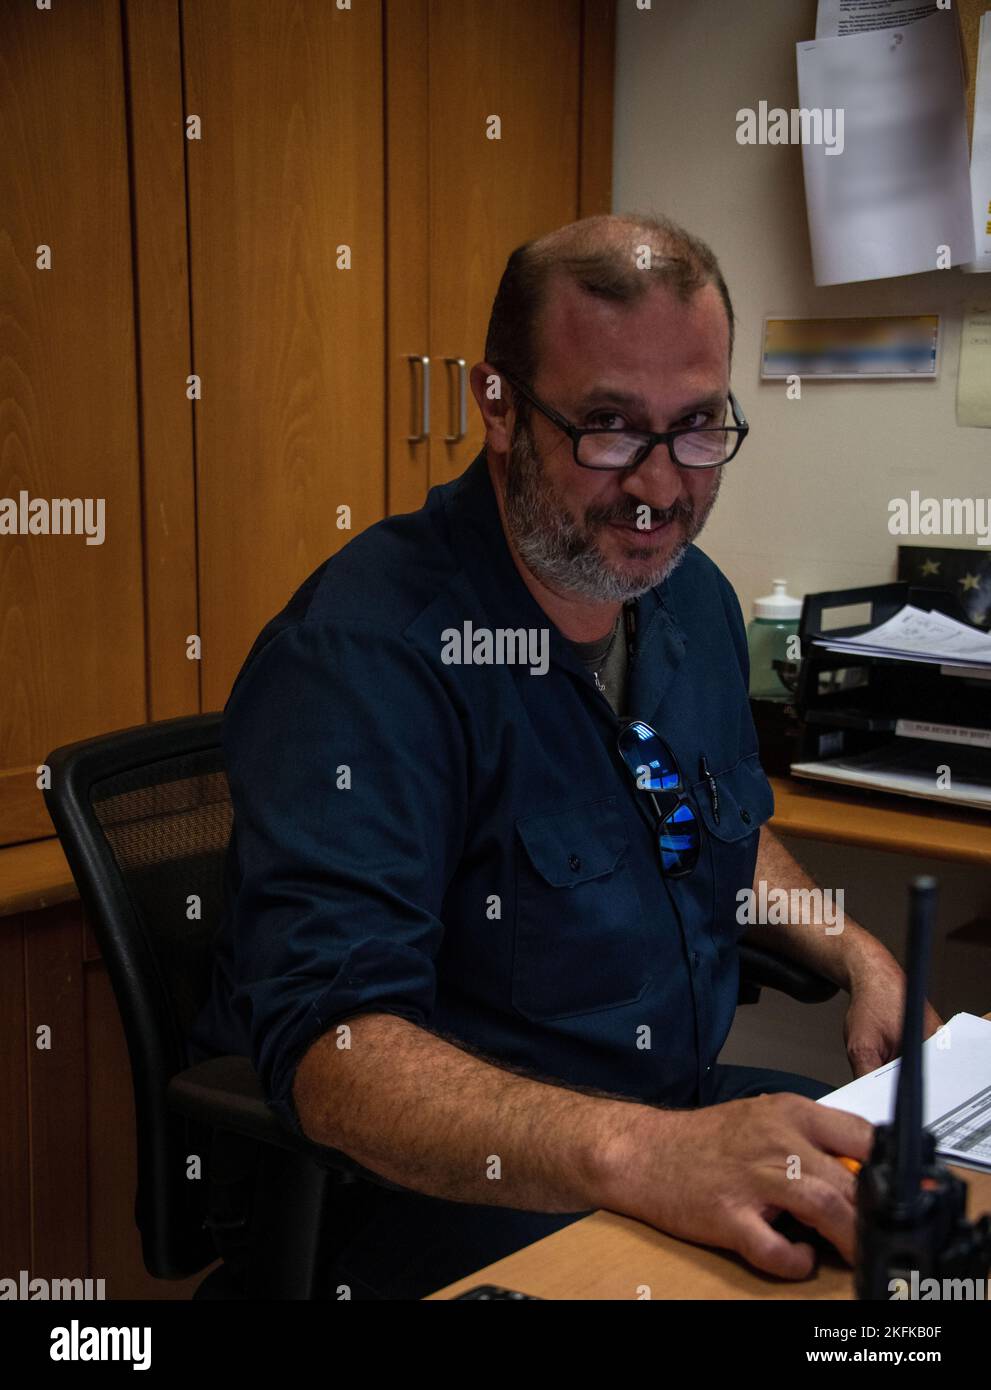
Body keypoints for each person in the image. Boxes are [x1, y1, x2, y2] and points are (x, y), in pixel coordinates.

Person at [189, 212, 941, 1299]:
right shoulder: (362, 659)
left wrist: (855, 954)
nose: (659, 486)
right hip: (437, 1202)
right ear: (496, 406)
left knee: (929, 1218)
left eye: (694, 427)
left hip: (663, 1116)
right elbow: (338, 1060)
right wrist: (647, 1156)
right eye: (606, 426)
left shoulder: (686, 598)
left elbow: (713, 820)